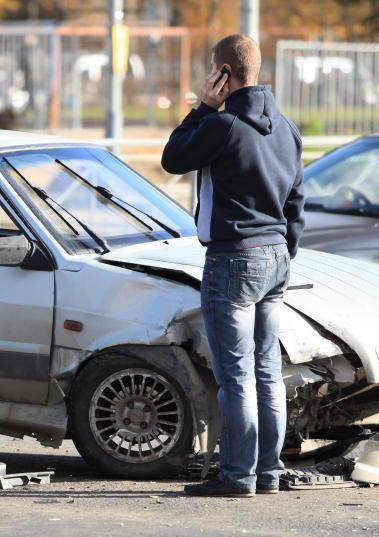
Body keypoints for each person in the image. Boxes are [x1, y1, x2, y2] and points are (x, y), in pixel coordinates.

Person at [160, 34, 304, 497]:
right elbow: (296, 203)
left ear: (223, 73)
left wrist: (202, 107)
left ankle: (238, 474)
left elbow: (173, 158)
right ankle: (269, 472)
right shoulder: (287, 128)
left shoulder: (221, 126)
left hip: (234, 259)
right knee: (266, 371)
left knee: (237, 374)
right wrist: (285, 251)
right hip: (277, 257)